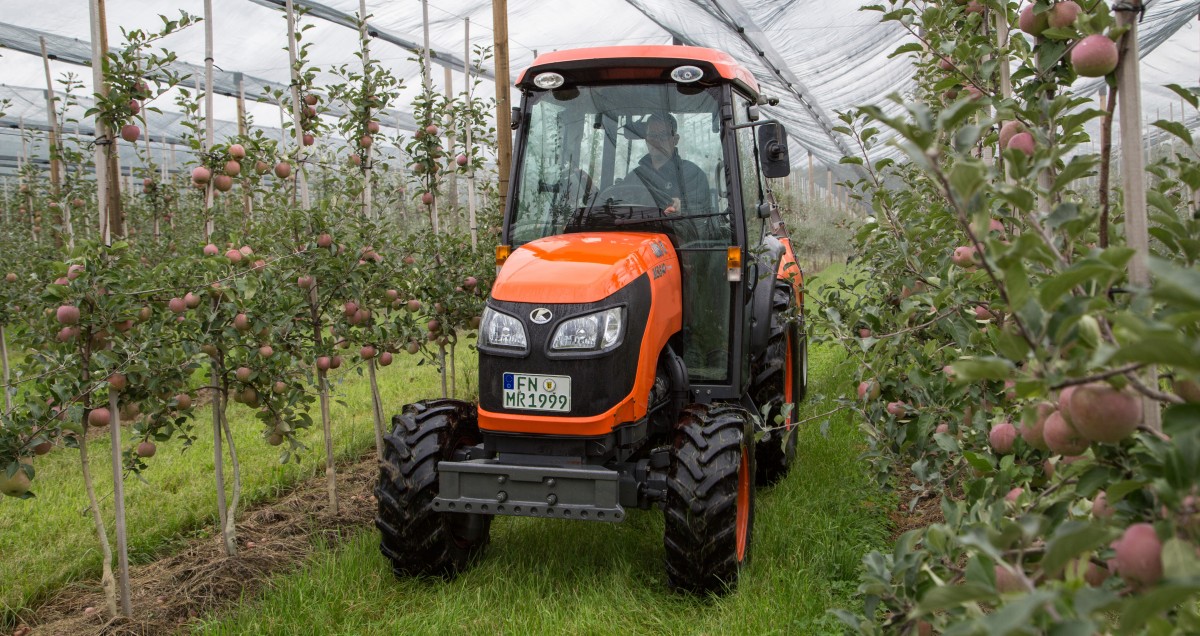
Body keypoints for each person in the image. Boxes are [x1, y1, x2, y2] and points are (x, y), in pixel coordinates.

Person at [630, 113, 712, 216]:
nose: (656, 141)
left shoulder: (693, 175)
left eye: (663, 136)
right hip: (636, 231)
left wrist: (681, 208)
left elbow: (703, 214)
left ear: (675, 140)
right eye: (652, 136)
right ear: (646, 140)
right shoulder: (635, 176)